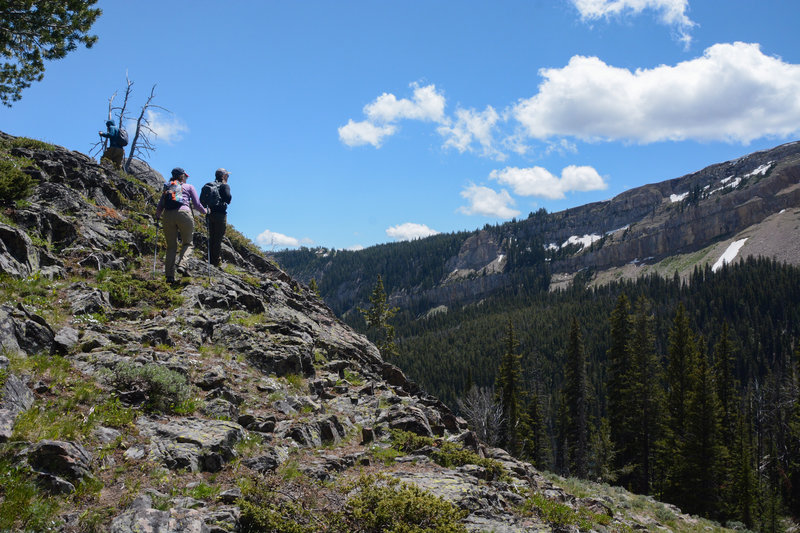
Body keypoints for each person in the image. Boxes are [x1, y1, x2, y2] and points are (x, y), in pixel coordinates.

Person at [155, 167, 207, 283]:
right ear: (182, 176)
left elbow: (161, 204)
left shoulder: (167, 186)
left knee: (171, 246)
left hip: (168, 216)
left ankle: (169, 276)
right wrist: (205, 212)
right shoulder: (189, 187)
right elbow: (197, 204)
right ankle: (182, 265)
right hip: (184, 214)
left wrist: (158, 215)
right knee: (188, 243)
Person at [204, 168, 232, 267]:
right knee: (218, 238)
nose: (228, 177)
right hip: (220, 215)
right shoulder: (225, 185)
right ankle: (215, 261)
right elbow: (228, 198)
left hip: (209, 213)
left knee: (211, 237)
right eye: (227, 175)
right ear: (223, 176)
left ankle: (210, 258)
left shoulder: (210, 185)